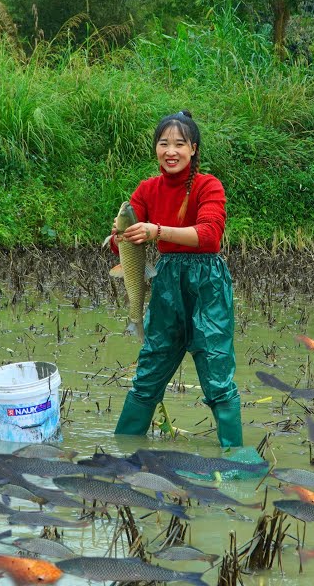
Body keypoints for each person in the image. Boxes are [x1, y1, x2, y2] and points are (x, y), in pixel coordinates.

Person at [108, 110, 242, 448]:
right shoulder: (147, 189)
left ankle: (235, 455)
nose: (171, 151)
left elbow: (210, 236)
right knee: (148, 374)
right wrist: (119, 235)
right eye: (164, 144)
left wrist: (157, 231)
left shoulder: (208, 185)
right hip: (166, 285)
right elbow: (119, 245)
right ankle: (121, 451)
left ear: (193, 148)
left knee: (217, 373)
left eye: (179, 144)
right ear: (155, 149)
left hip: (207, 284)